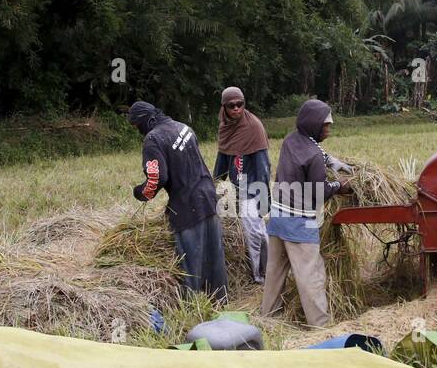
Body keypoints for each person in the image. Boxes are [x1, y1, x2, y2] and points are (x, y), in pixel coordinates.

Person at [260, 98, 352, 328]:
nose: (329, 131)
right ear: (313, 124)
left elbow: (311, 151)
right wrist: (340, 186)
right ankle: (320, 327)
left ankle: (268, 318)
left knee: (274, 273)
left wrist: (332, 161)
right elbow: (320, 192)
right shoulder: (313, 156)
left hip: (277, 218)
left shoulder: (291, 139)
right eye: (326, 126)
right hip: (299, 223)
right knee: (310, 276)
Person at [128, 100, 227, 300]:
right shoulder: (184, 127)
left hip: (186, 207)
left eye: (138, 126)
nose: (139, 131)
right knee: (215, 259)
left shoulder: (153, 139)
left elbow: (157, 178)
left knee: (191, 266)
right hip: (209, 197)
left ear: (148, 120)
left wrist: (141, 193)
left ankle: (194, 310)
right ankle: (220, 303)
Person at [211, 86, 270, 284]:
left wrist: (263, 199)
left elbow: (263, 167)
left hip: (252, 187)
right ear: (224, 107)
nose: (236, 109)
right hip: (235, 188)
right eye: (231, 105)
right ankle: (257, 272)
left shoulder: (253, 127)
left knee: (255, 232)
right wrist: (213, 185)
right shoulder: (225, 127)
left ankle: (262, 275)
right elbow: (222, 160)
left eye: (240, 104)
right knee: (246, 231)